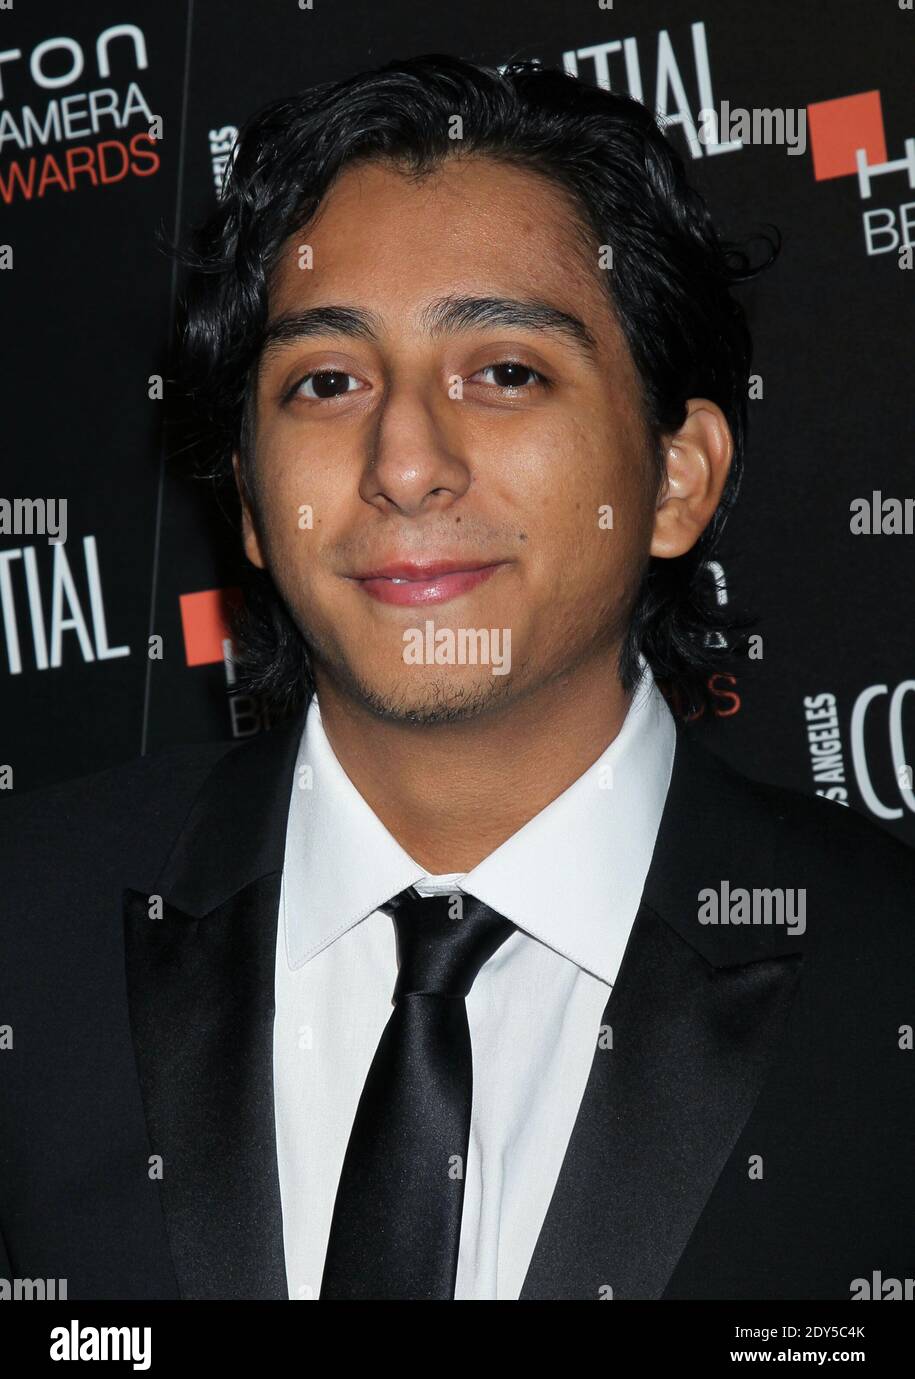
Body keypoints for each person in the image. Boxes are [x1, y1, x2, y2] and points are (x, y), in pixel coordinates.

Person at [1, 54, 912, 1302]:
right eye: (326, 382)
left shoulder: (885, 973)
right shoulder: (25, 926)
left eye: (505, 372)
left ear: (679, 475)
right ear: (252, 503)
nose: (407, 461)